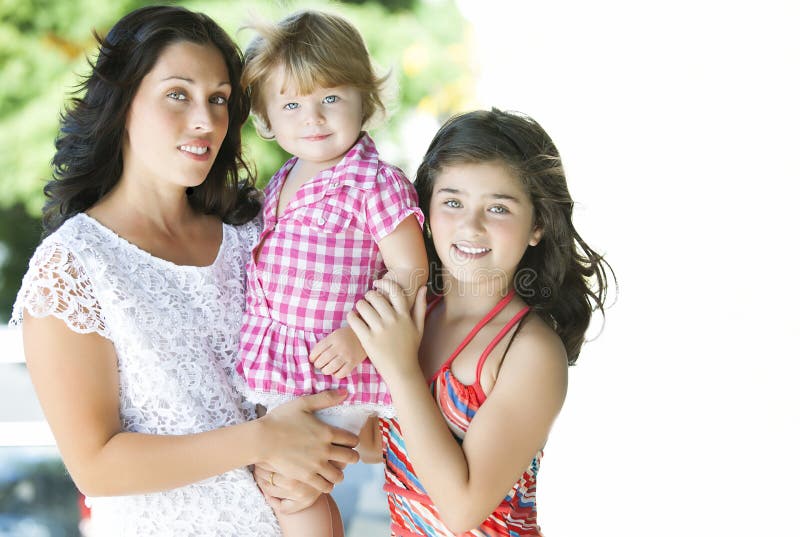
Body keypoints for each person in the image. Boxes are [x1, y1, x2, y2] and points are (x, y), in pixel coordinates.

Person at [10, 6, 360, 536]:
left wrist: (320, 454)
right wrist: (265, 439)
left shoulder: (256, 232)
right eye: (178, 94)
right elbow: (96, 466)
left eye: (219, 99)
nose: (206, 121)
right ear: (124, 101)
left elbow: (326, 381)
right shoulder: (73, 266)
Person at [349, 109, 614, 536]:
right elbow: (377, 447)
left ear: (537, 225)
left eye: (498, 208)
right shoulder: (417, 314)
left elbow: (461, 509)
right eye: (453, 202)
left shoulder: (529, 351)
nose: (470, 226)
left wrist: (400, 370)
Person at [237, 9, 428, 536]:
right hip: (283, 365)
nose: (312, 118)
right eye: (291, 104)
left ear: (365, 100)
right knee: (279, 486)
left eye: (331, 98)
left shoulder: (373, 182)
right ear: (266, 118)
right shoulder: (283, 179)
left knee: (293, 488)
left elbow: (411, 269)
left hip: (334, 368)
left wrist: (359, 337)